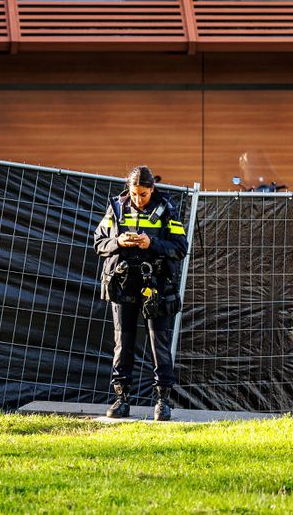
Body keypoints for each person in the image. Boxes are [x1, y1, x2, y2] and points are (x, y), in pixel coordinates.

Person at [92, 165, 188, 420]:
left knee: (159, 344)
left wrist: (151, 243)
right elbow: (98, 242)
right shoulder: (116, 208)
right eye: (134, 194)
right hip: (123, 283)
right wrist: (118, 242)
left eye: (143, 194)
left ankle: (162, 402)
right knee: (123, 344)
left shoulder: (166, 209)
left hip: (156, 284)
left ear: (152, 189)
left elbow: (180, 247)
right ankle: (121, 400)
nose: (138, 199)